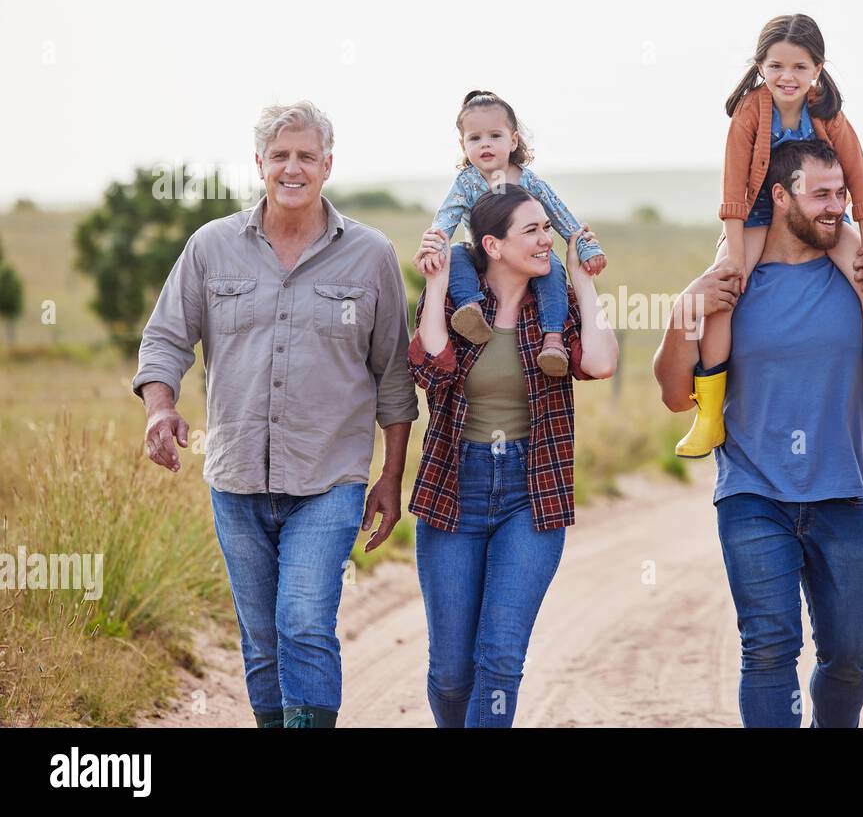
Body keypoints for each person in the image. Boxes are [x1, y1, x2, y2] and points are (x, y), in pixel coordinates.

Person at [133, 101, 418, 728]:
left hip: (330, 479)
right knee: (262, 638)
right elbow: (165, 340)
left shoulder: (371, 256)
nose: (293, 168)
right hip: (235, 478)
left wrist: (391, 477)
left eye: (306, 156)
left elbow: (395, 376)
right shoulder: (211, 247)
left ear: (328, 166)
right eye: (281, 155)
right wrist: (160, 408)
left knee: (304, 622)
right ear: (260, 163)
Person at [653, 139, 863, 727]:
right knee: (768, 649)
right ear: (782, 196)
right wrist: (685, 308)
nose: (837, 207)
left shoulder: (859, 280)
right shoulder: (732, 283)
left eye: (842, 194)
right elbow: (674, 393)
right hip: (753, 496)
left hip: (842, 494)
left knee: (853, 656)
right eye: (822, 195)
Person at [407, 184, 618, 727]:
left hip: (532, 493)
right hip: (455, 489)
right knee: (451, 671)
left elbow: (599, 363)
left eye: (548, 228)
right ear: (493, 246)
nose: (547, 238)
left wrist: (585, 286)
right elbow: (431, 367)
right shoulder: (458, 303)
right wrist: (434, 287)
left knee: (499, 659)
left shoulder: (555, 309)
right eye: (533, 230)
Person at [675, 13, 863, 458]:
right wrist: (733, 257)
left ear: (818, 70)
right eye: (775, 67)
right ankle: (709, 415)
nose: (786, 77)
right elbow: (733, 191)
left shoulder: (827, 113)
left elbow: (860, 183)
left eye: (799, 68)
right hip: (754, 217)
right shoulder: (750, 113)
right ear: (759, 67)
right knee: (723, 294)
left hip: (820, 212)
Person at [427, 90, 607, 376]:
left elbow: (563, 219)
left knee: (553, 268)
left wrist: (588, 249)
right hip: (479, 254)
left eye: (495, 136)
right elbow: (444, 222)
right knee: (458, 252)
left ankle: (552, 340)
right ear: (464, 145)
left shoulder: (529, 181)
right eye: (475, 138)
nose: (485, 144)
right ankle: (469, 308)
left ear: (513, 140)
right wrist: (434, 248)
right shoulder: (465, 182)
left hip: (524, 258)